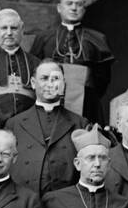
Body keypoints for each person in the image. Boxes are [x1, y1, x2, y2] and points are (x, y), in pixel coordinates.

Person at [29, 0, 114, 122]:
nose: (74, 8)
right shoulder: (44, 38)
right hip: (50, 99)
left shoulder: (98, 39)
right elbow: (34, 69)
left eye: (79, 4)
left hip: (87, 103)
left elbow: (103, 78)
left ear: (84, 9)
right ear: (59, 8)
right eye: (69, 3)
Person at [6, 60, 88, 195]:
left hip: (65, 202)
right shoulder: (14, 124)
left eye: (55, 79)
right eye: (44, 78)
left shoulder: (80, 124)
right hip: (24, 201)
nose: (50, 84)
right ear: (33, 83)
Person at [0, 8, 38, 96]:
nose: (9, 33)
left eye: (14, 28)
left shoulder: (36, 63)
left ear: (22, 31)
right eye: (4, 28)